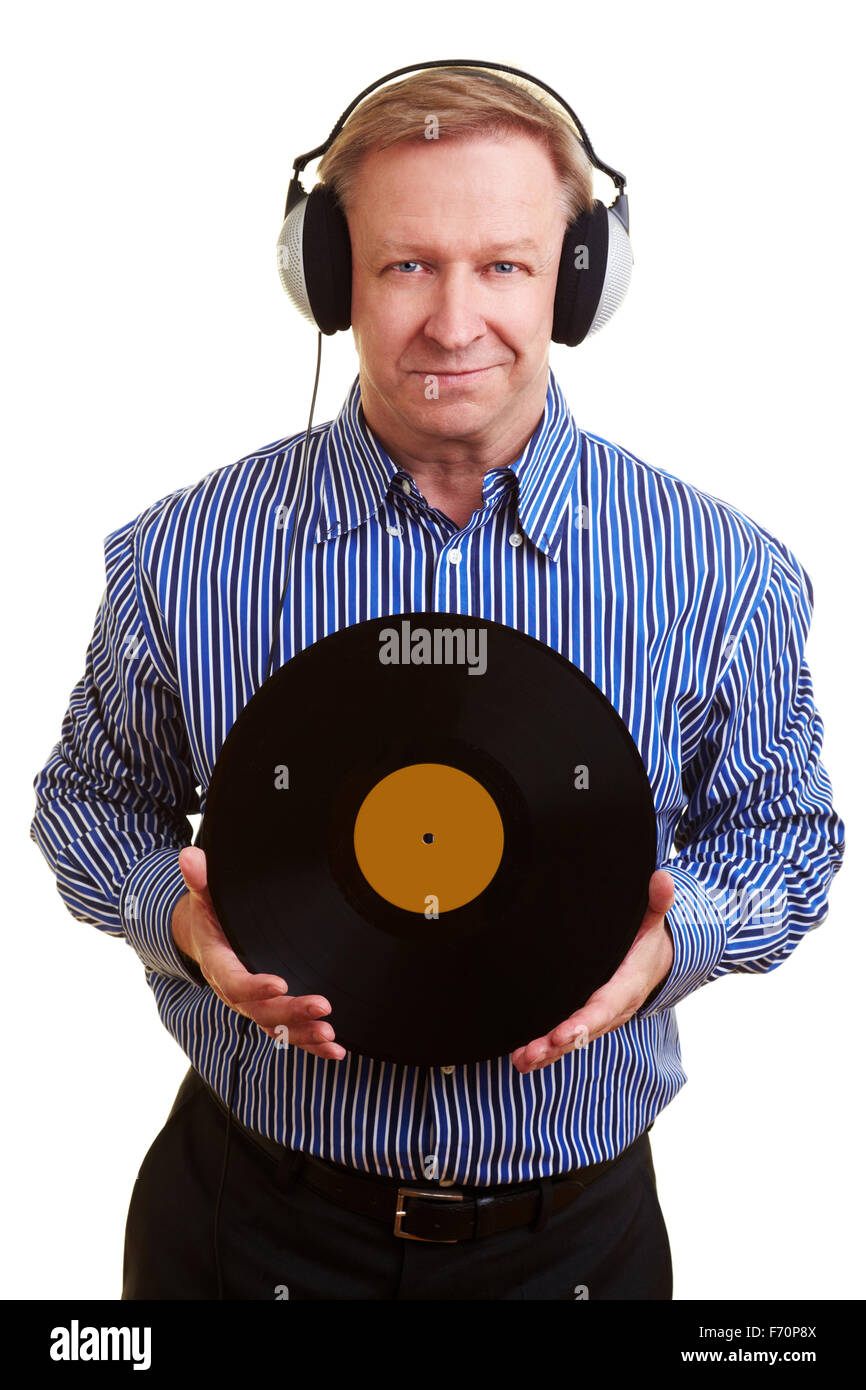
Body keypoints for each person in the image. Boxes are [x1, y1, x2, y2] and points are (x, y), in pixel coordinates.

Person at [30, 63, 845, 1302]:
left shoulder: (722, 573)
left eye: (505, 266)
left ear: (578, 279)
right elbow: (90, 805)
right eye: (407, 265)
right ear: (327, 276)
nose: (455, 321)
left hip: (571, 1252)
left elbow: (788, 838)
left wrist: (673, 945)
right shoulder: (180, 556)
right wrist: (183, 928)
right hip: (248, 1231)